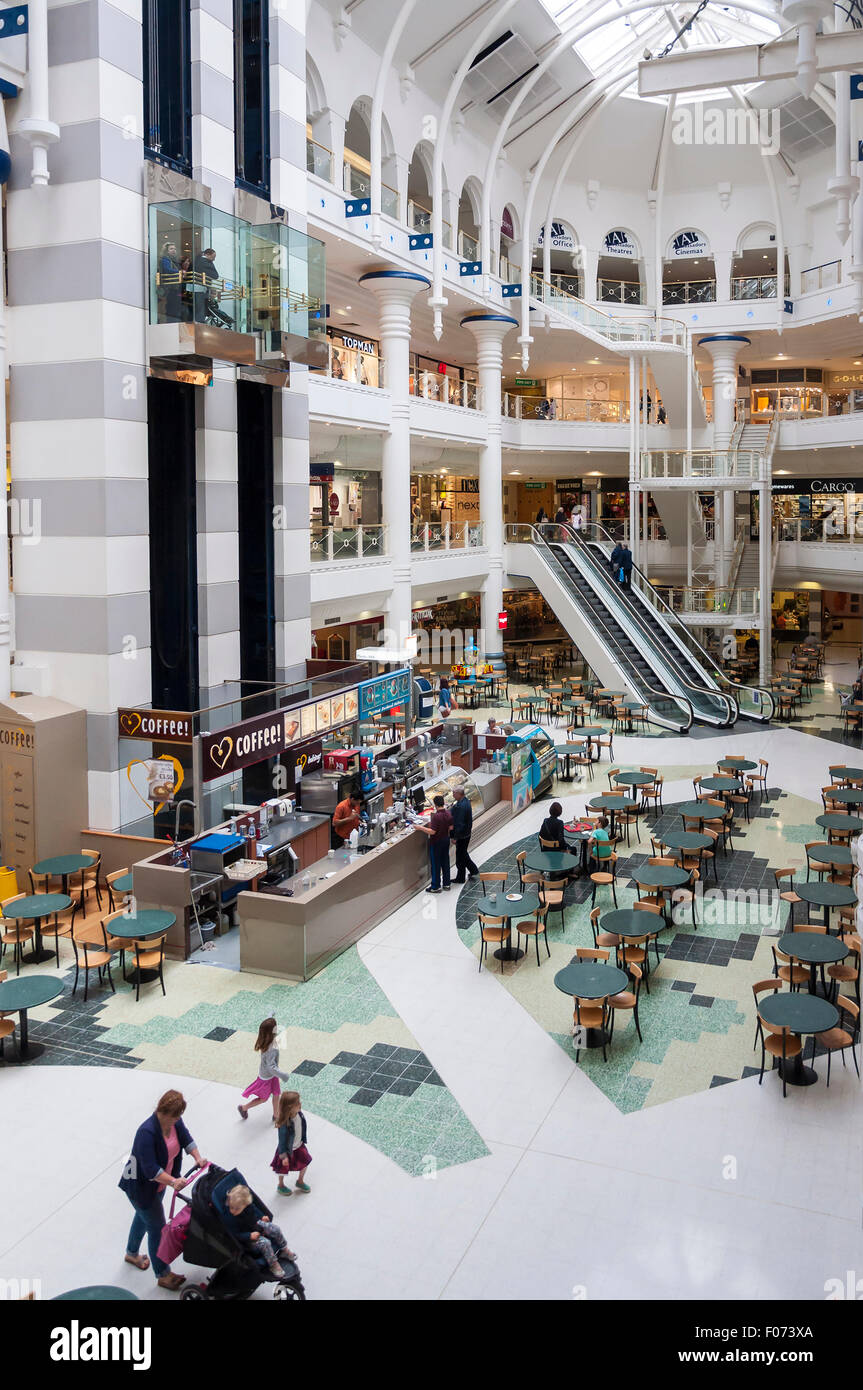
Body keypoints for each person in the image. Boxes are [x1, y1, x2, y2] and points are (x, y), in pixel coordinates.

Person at [119, 1089, 207, 1291]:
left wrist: (197, 1157)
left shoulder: (175, 1123)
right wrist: (173, 1181)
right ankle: (163, 1274)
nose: (177, 1121)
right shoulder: (147, 1132)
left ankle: (131, 1253)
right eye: (175, 1117)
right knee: (157, 1228)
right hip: (140, 1186)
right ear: (164, 1112)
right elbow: (150, 1169)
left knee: (143, 1217)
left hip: (160, 1184)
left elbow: (186, 1139)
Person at [223, 1184, 294, 1277]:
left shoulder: (249, 1207)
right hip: (247, 1238)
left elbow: (256, 1212)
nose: (233, 1210)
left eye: (237, 1208)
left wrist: (262, 1216)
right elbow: (234, 1234)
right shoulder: (230, 1218)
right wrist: (249, 1236)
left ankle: (284, 1249)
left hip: (256, 1225)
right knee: (265, 1243)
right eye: (231, 1207)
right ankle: (273, 1264)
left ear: (245, 1205)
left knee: (275, 1229)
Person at [238, 1017, 291, 1121]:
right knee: (263, 1099)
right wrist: (282, 1075)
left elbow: (266, 1026)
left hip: (271, 1075)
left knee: (276, 1093)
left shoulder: (265, 1040)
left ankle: (276, 1115)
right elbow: (271, 1067)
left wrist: (270, 1016)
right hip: (267, 1077)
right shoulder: (272, 1048)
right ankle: (243, 1108)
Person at [271, 1090, 313, 1195]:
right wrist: (283, 1156)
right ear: (290, 1108)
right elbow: (282, 1141)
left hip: (299, 1146)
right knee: (282, 1169)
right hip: (286, 1151)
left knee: (305, 1162)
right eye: (297, 1103)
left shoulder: (299, 1114)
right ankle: (280, 1185)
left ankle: (300, 1181)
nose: (300, 1104)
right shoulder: (285, 1124)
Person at [415, 794, 453, 892]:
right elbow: (451, 827)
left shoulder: (436, 816)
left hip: (437, 842)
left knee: (436, 864)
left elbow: (432, 832)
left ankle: (435, 886)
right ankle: (447, 884)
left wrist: (420, 828)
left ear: (435, 804)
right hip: (446, 840)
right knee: (445, 862)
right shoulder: (448, 814)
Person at [193, 247, 233, 327]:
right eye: (213, 257)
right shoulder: (206, 262)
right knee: (201, 306)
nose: (214, 260)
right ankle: (200, 322)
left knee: (200, 305)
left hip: (198, 287)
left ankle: (199, 321)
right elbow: (215, 275)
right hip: (202, 288)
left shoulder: (198, 260)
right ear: (207, 254)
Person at [450, 786, 478, 883]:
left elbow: (459, 824)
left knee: (460, 857)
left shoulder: (461, 806)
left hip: (462, 836)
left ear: (458, 794)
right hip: (466, 833)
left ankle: (461, 878)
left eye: (454, 793)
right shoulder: (465, 801)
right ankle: (474, 870)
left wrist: (455, 837)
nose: (452, 794)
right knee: (463, 854)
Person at [158, 241, 182, 322]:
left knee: (175, 308)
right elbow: (167, 269)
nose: (174, 250)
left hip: (174, 287)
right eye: (171, 249)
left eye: (174, 249)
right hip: (169, 287)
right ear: (167, 251)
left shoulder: (174, 260)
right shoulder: (165, 258)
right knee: (171, 308)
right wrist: (179, 272)